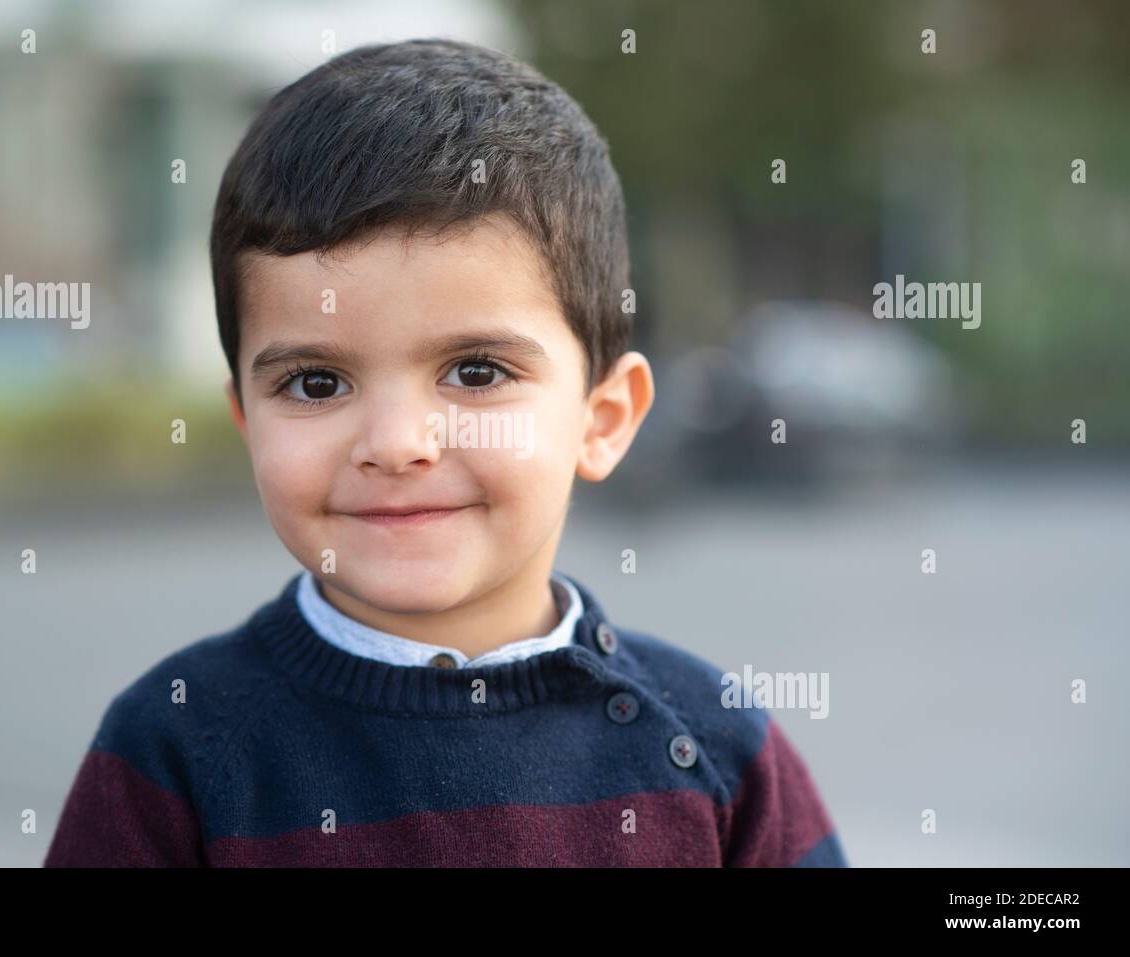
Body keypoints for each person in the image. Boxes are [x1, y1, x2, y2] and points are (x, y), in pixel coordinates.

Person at [44, 37, 845, 867]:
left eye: (475, 371)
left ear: (601, 419)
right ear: (247, 419)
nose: (397, 445)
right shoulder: (172, 751)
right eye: (317, 384)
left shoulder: (716, 748)